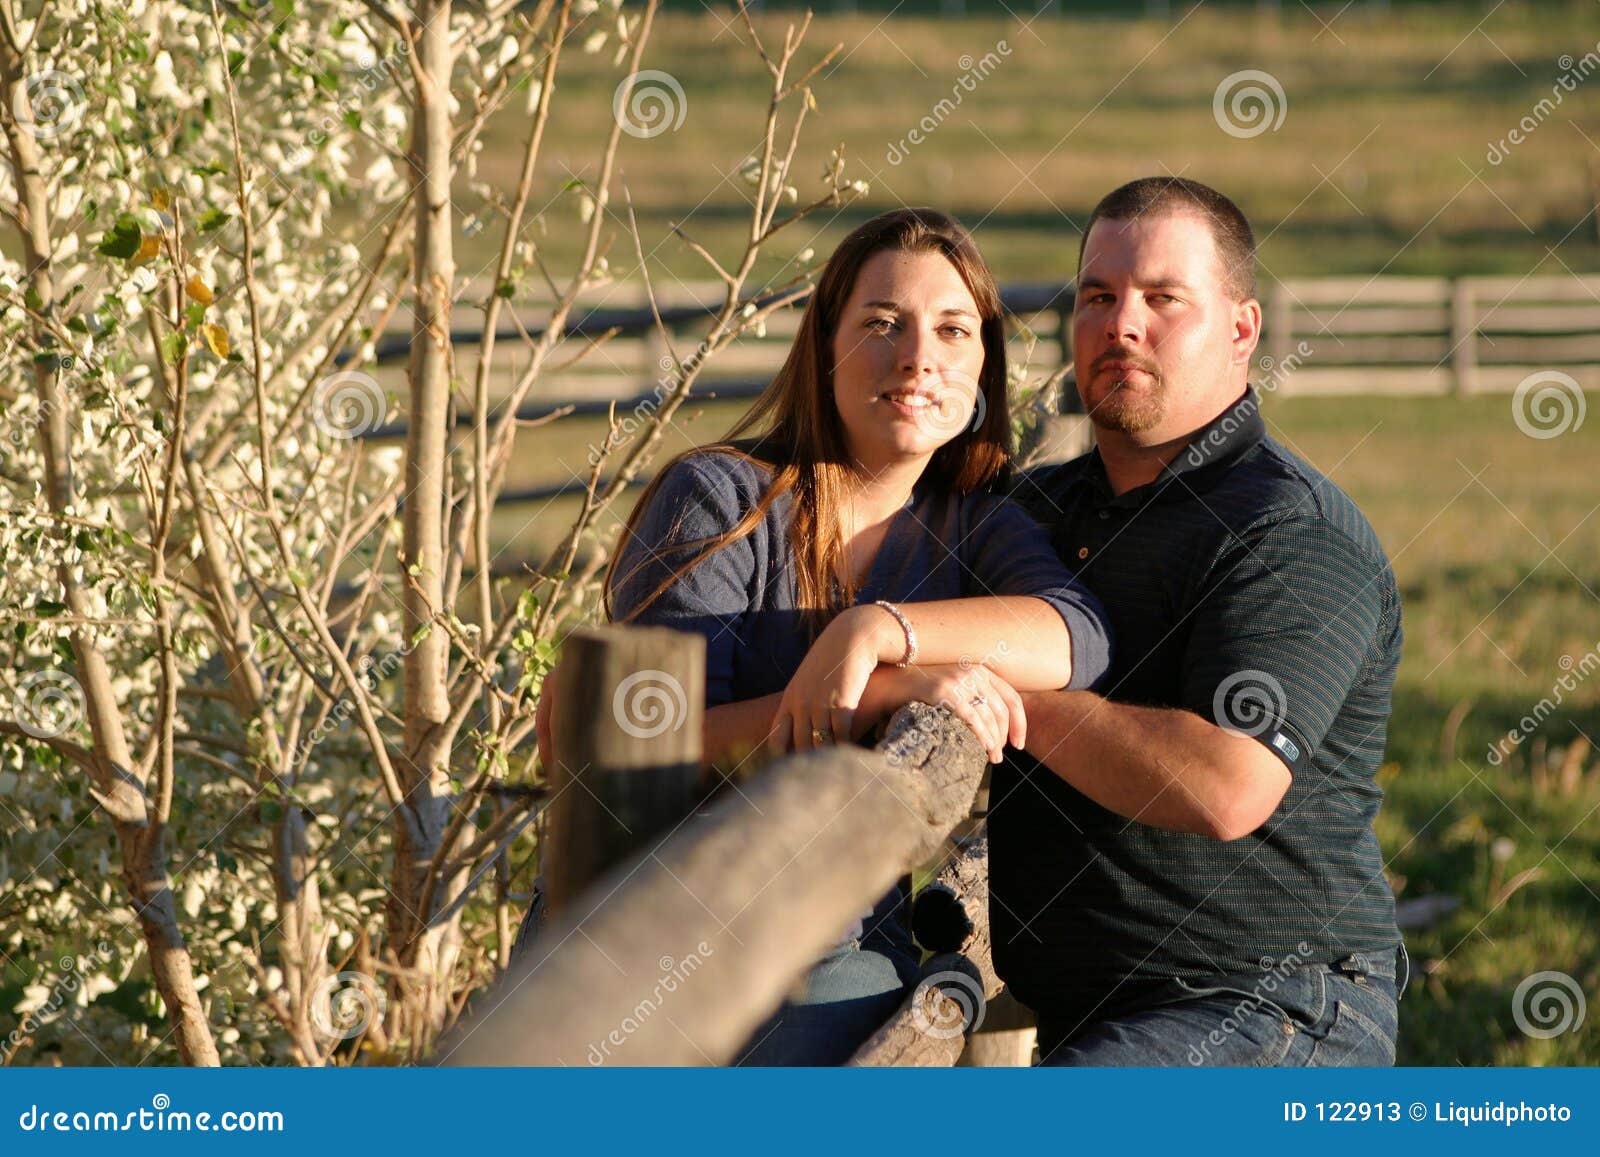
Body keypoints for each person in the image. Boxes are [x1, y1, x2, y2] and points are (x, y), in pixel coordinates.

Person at [540, 207, 1111, 1065]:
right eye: (882, 324)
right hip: (662, 927)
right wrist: (878, 693)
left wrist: (877, 629)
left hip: (838, 939)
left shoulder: (976, 523)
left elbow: (1076, 638)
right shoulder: (722, 501)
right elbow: (644, 754)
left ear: (983, 363)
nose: (918, 357)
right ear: (825, 348)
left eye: (953, 330)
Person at [992, 176, 1406, 1066]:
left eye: (1161, 297)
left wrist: (1002, 692)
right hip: (1088, 1012)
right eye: (1098, 296)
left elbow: (1224, 786)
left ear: (1242, 328)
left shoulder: (1289, 531)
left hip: (1272, 1001)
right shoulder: (1031, 512)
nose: (1121, 323)